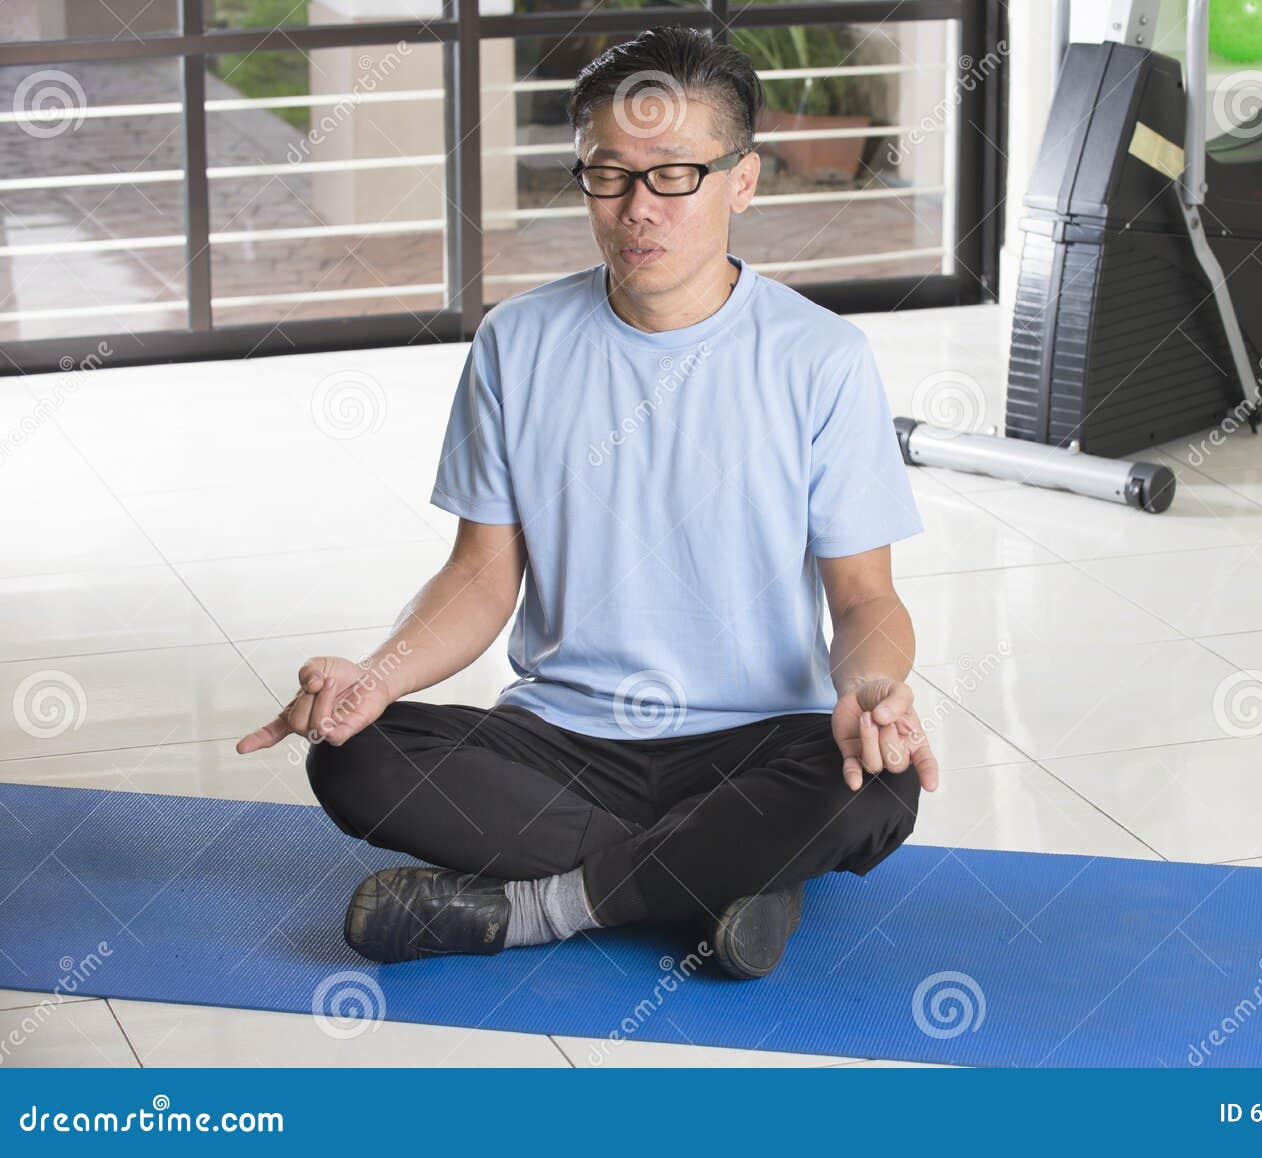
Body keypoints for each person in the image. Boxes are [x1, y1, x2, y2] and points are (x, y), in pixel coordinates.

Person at [235, 26, 939, 980]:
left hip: (756, 740)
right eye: (608, 176)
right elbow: (480, 575)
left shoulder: (820, 358)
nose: (637, 208)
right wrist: (380, 673)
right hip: (563, 739)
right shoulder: (517, 343)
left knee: (876, 781)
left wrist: (870, 689)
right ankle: (729, 871)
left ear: (743, 180)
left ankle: (543, 907)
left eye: (674, 175)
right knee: (355, 758)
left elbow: (864, 600)